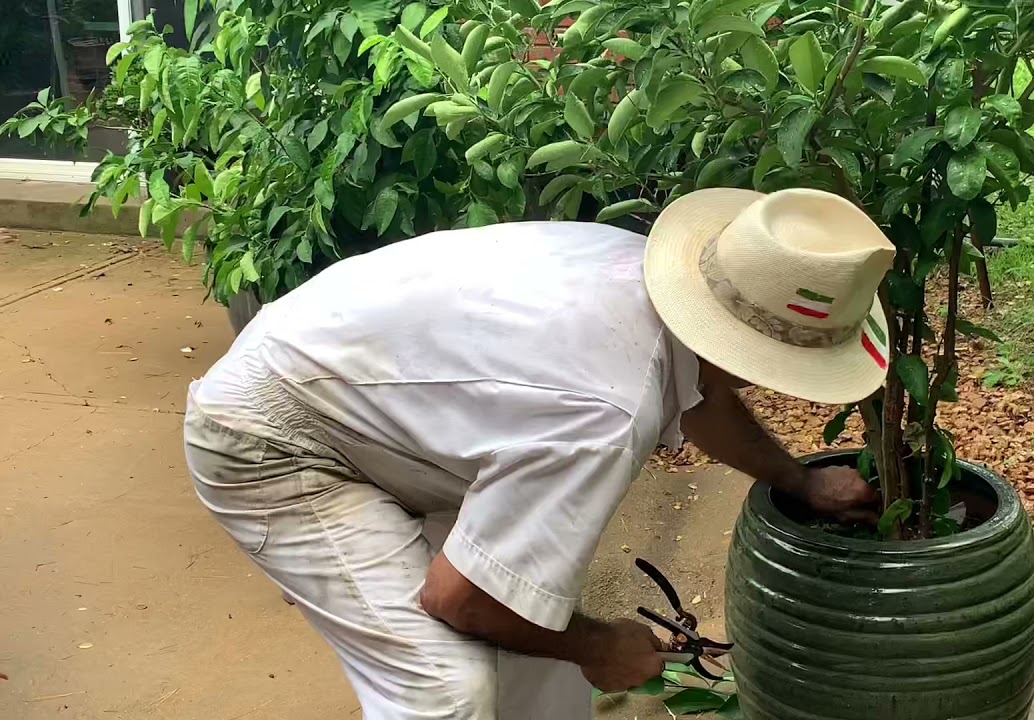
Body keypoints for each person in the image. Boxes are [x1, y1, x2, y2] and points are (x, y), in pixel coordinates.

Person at [183, 187, 896, 719]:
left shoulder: (635, 274)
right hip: (278, 444)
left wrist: (798, 481)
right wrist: (601, 647)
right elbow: (459, 599)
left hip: (371, 408)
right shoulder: (606, 408)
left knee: (537, 621)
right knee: (442, 690)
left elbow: (700, 396)